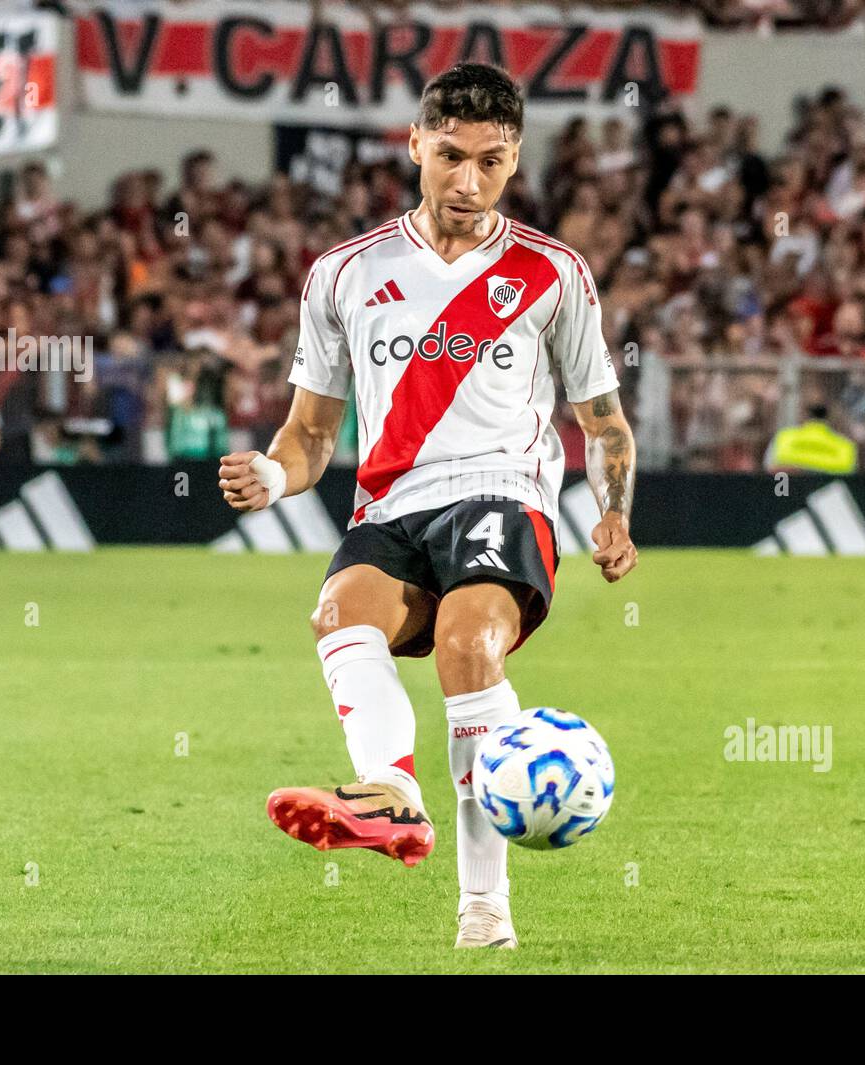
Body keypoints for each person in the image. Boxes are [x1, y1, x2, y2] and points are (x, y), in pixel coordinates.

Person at [217, 63, 638, 949]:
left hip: (504, 495)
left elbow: (604, 423)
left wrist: (612, 510)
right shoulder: (343, 273)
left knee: (464, 646)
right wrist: (272, 472)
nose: (468, 182)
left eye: (491, 161)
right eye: (450, 156)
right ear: (415, 145)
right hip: (390, 506)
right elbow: (311, 433)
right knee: (337, 614)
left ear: (515, 161)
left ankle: (484, 912)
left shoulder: (552, 273)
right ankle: (391, 793)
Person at [764, 403, 857, 474]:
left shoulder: (784, 437)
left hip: (787, 492)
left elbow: (768, 468)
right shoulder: (845, 445)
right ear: (829, 418)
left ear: (805, 416)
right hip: (828, 494)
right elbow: (852, 476)